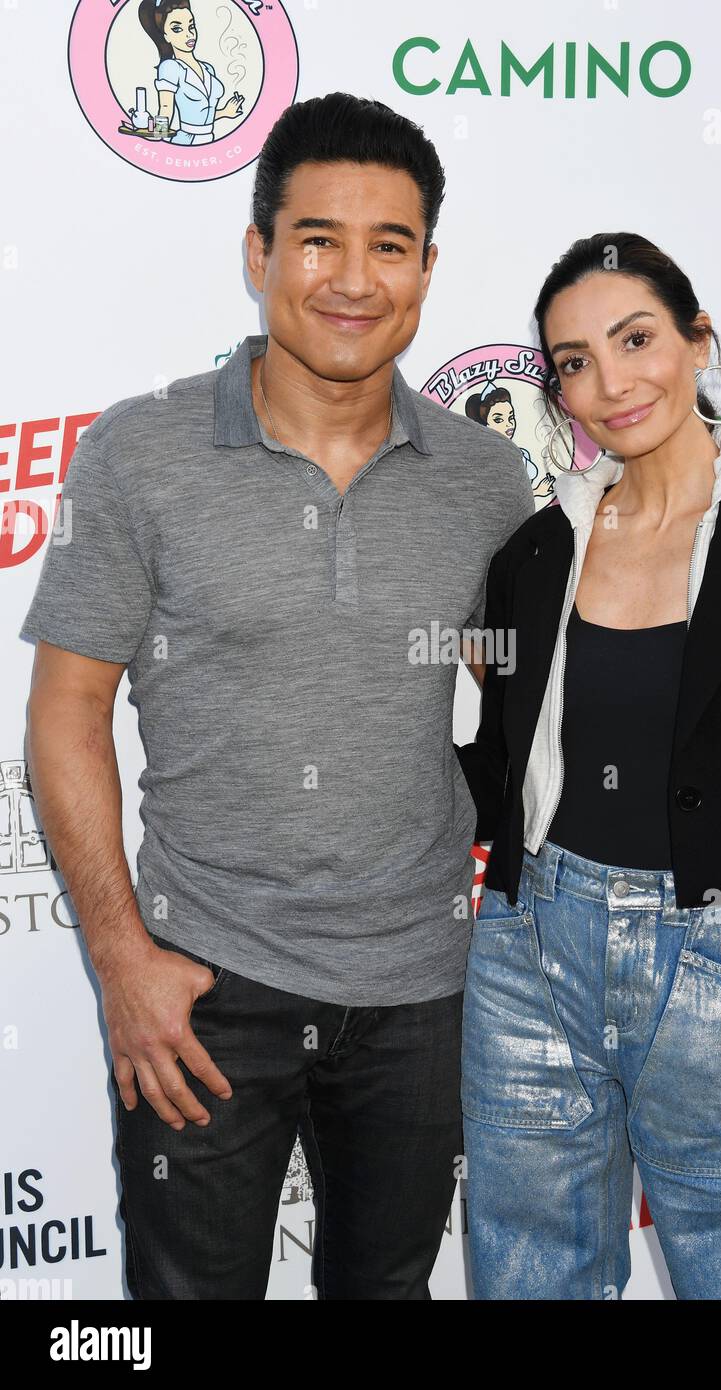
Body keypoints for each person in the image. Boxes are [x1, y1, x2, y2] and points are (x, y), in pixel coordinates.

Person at [19, 92, 534, 1300]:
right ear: (258, 254)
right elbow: (65, 711)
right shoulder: (137, 453)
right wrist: (120, 960)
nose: (352, 279)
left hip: (423, 991)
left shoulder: (482, 475)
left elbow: (531, 713)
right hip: (203, 992)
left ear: (425, 269)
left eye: (389, 245)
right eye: (317, 239)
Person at [453, 231, 721, 1300]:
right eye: (572, 362)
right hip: (528, 961)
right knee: (528, 1281)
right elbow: (503, 764)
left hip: (712, 957)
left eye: (636, 338)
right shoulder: (537, 549)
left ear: (699, 341)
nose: (610, 383)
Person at [139, 1, 244, 145]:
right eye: (177, 29)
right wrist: (157, 133)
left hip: (208, 139)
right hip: (187, 140)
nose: (189, 34)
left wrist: (225, 112)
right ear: (165, 36)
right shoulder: (170, 68)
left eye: (191, 26)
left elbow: (201, 114)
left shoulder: (208, 68)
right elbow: (166, 108)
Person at [464, 383, 554, 499]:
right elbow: (499, 498)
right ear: (483, 426)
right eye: (498, 419)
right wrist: (537, 491)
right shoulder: (486, 460)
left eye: (511, 417)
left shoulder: (520, 453)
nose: (509, 424)